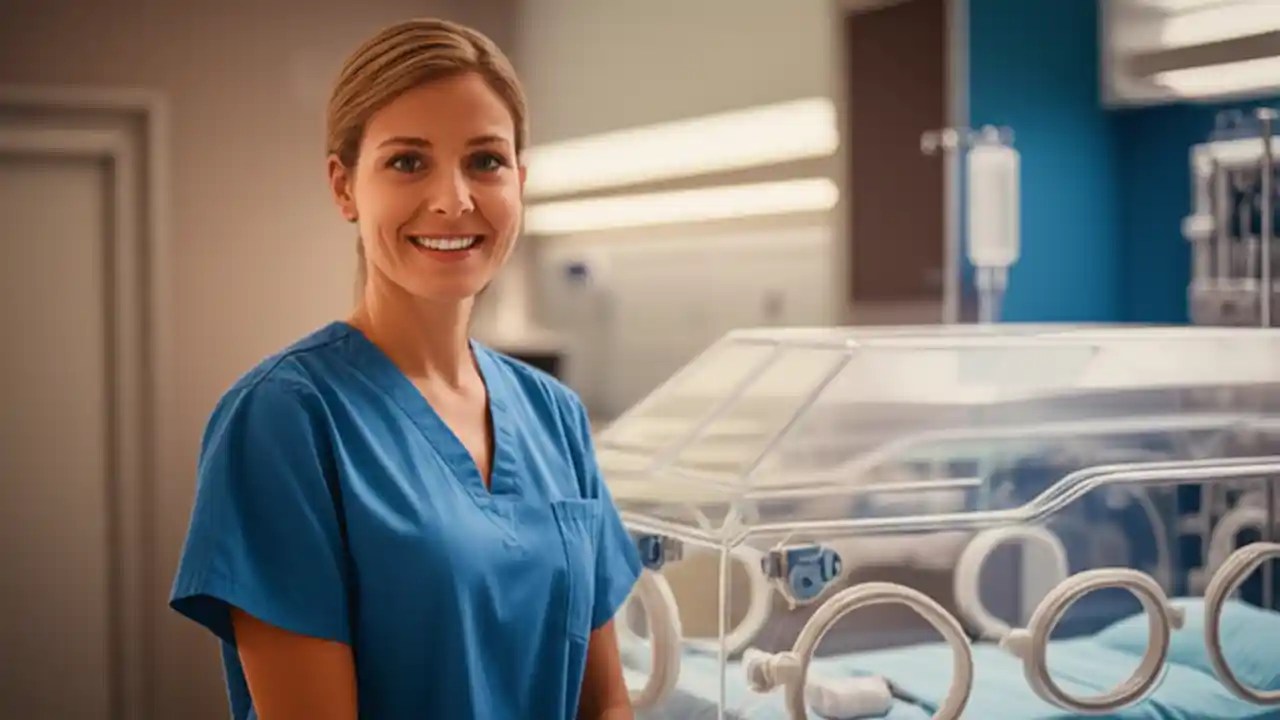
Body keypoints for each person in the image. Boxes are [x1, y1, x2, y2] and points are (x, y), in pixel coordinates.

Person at [169, 17, 641, 720]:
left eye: (485, 160)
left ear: (520, 179)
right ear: (344, 187)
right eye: (408, 161)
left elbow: (606, 704)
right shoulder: (285, 421)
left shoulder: (554, 416)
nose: (454, 199)